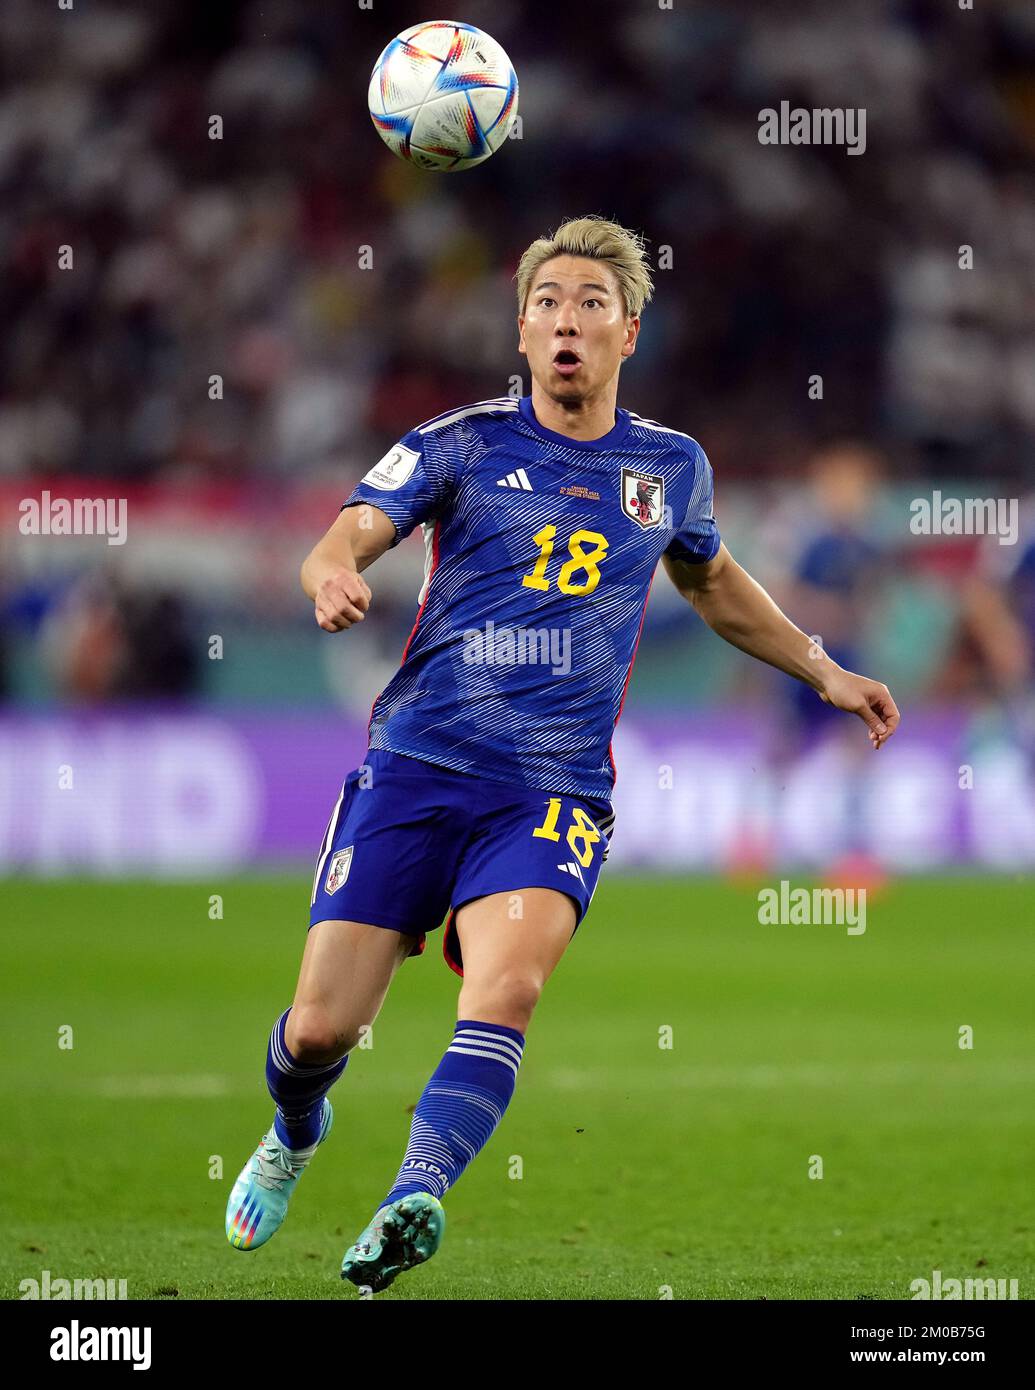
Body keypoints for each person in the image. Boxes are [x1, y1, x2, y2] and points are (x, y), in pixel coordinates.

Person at [225, 216, 900, 1292]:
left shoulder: (668, 465)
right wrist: (330, 575)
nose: (566, 322)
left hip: (553, 789)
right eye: (547, 304)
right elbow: (347, 529)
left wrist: (822, 669)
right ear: (523, 329)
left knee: (508, 989)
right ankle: (296, 1132)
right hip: (417, 766)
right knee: (318, 1027)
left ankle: (414, 1193)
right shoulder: (462, 442)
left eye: (590, 304)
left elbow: (714, 582)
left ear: (630, 329)